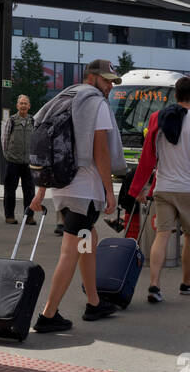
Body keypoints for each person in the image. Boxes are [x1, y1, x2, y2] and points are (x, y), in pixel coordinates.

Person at [29, 59, 125, 331]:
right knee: (71, 250)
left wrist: (42, 190)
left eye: (112, 82)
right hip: (84, 191)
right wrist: (109, 191)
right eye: (106, 80)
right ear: (92, 77)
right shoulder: (96, 104)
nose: (109, 86)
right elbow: (101, 152)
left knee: (88, 241)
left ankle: (94, 303)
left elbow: (47, 145)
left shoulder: (65, 98)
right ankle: (48, 316)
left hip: (63, 188)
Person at [134, 76, 190, 303]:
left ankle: (154, 285)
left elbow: (147, 156)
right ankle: (186, 283)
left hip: (162, 187)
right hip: (189, 188)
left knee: (161, 236)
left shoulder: (157, 118)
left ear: (175, 95)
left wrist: (139, 188)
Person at [1, 94, 36, 225]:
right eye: (21, 103)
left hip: (28, 163)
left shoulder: (33, 120)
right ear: (17, 105)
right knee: (10, 190)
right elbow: (4, 140)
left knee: (29, 191)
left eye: (25, 103)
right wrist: (8, 155)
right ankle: (9, 216)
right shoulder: (11, 120)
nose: (23, 106)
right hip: (13, 161)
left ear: (29, 106)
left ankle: (29, 217)